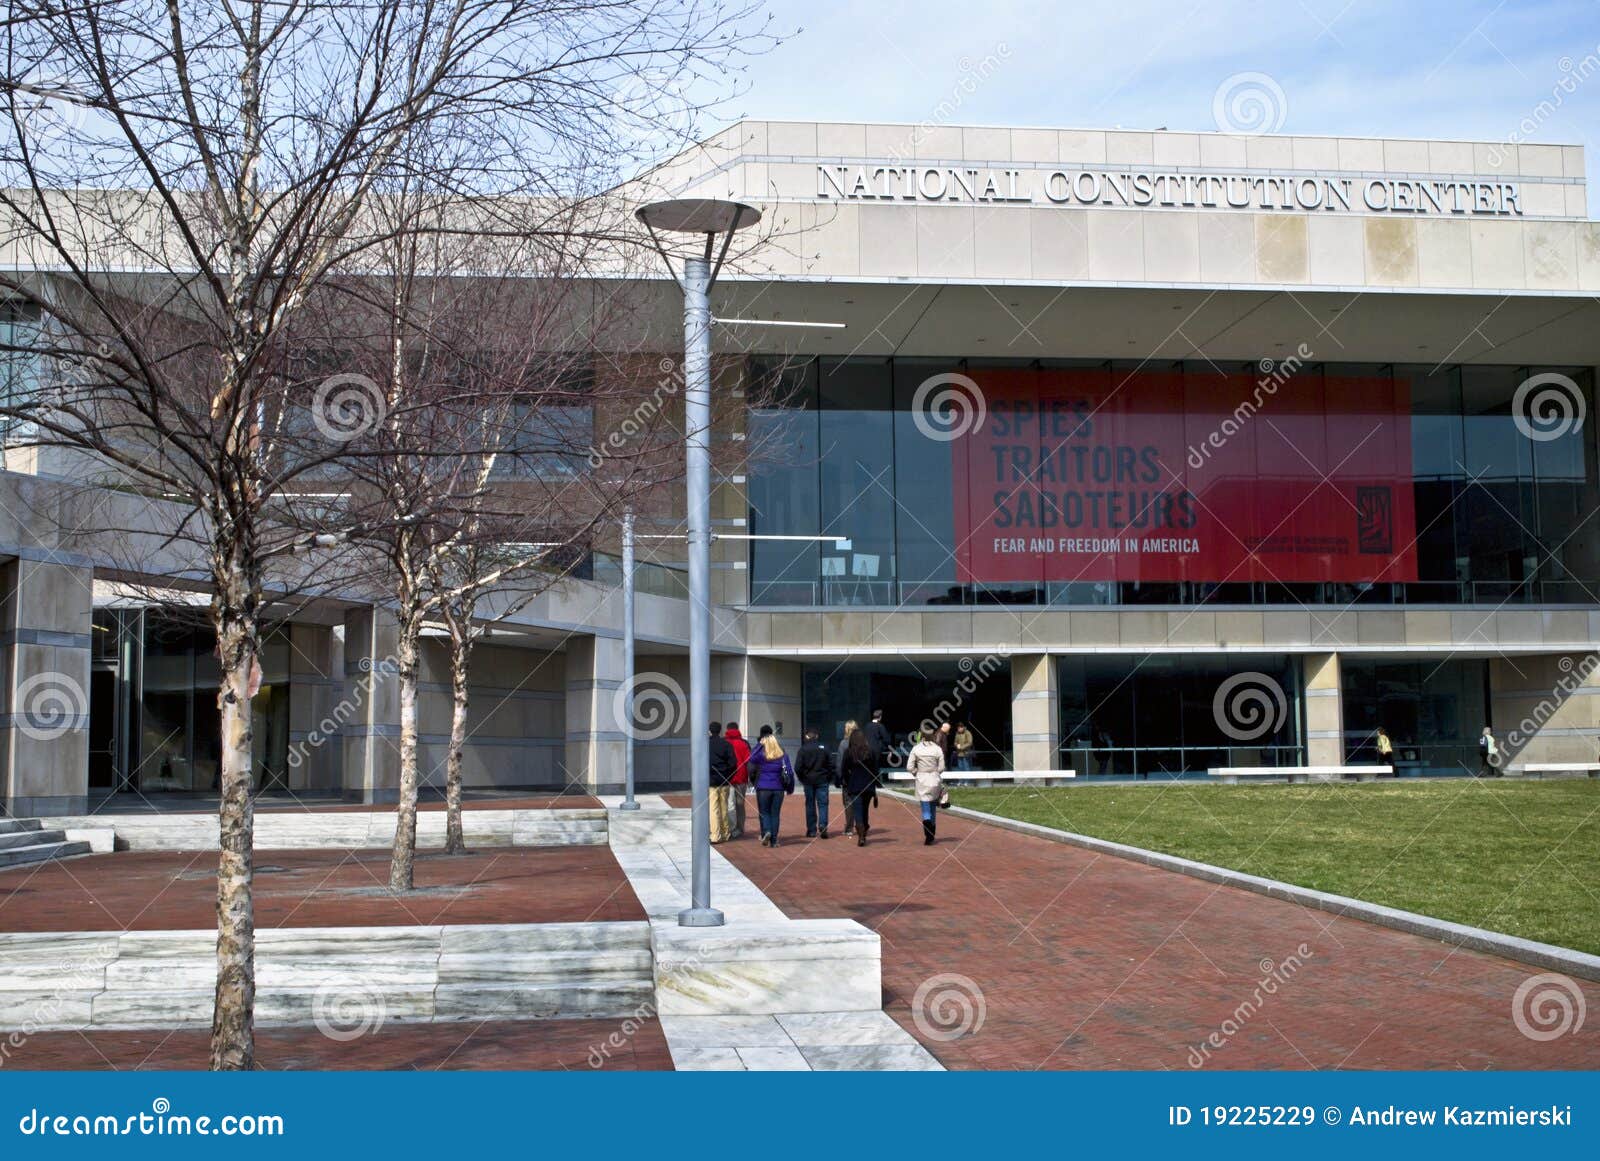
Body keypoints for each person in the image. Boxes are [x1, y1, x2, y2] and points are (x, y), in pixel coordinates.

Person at [747, 732, 795, 847]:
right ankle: (774, 840)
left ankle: (767, 830)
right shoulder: (783, 755)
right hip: (778, 788)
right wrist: (790, 788)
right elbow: (790, 772)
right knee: (775, 814)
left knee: (765, 812)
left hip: (763, 787)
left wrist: (759, 745)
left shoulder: (761, 755)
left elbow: (751, 757)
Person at [908, 726, 947, 846]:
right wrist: (936, 772)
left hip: (922, 779)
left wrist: (917, 773)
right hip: (934, 779)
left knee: (925, 809)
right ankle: (932, 833)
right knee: (933, 807)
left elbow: (909, 767)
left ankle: (928, 835)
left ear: (922, 735)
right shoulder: (937, 749)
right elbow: (942, 767)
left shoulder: (916, 749)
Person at [839, 728, 878, 846]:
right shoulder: (871, 751)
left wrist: (846, 780)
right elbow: (875, 770)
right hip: (868, 786)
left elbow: (844, 769)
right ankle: (864, 829)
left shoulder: (849, 752)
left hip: (855, 785)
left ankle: (861, 835)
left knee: (858, 810)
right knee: (865, 810)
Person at [795, 727, 834, 838]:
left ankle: (811, 830)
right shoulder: (825, 748)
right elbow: (831, 764)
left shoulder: (803, 749)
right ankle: (822, 824)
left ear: (807, 736)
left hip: (808, 780)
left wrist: (802, 778)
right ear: (817, 736)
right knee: (823, 804)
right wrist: (829, 777)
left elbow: (797, 767)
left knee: (810, 804)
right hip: (822, 779)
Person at [708, 722, 736, 844]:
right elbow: (733, 763)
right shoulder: (726, 744)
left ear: (709, 731)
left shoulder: (706, 745)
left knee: (714, 808)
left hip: (711, 781)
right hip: (724, 780)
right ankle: (726, 833)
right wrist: (728, 776)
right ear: (720, 731)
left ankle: (715, 835)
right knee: (724, 807)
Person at [724, 722, 751, 837]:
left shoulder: (724, 742)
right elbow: (748, 761)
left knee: (729, 804)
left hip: (727, 778)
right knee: (740, 804)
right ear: (738, 729)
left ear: (727, 729)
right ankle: (740, 828)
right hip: (742, 778)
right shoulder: (744, 743)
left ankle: (730, 828)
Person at [836, 719, 859, 837]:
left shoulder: (844, 743)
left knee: (848, 802)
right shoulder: (863, 742)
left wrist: (839, 777)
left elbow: (839, 763)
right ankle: (860, 825)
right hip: (860, 776)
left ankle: (849, 827)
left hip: (848, 777)